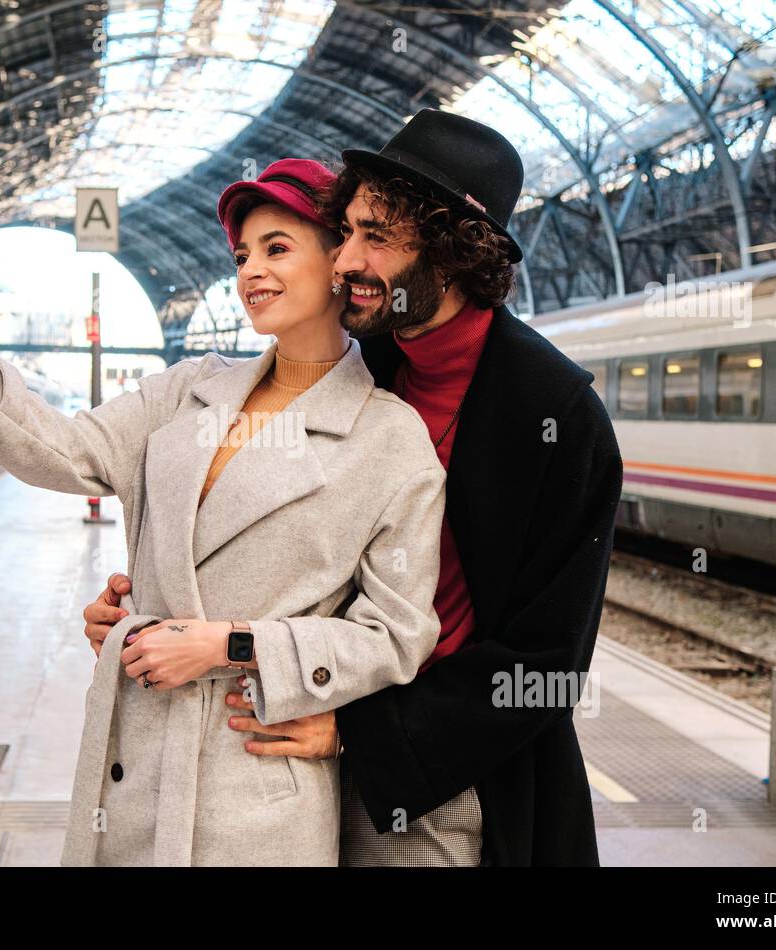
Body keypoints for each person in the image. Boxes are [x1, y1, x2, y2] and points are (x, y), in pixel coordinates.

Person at [0, 158, 447, 865]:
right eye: (242, 254)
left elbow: (395, 634)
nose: (250, 270)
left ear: (338, 260)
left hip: (258, 792)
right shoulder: (188, 392)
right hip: (133, 775)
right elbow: (64, 450)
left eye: (277, 248)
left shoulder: (388, 438)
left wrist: (231, 644)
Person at [83, 110, 624, 866]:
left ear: (454, 250)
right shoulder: (362, 367)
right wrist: (150, 609)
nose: (345, 262)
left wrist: (359, 734)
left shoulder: (556, 415)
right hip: (293, 737)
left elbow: (545, 662)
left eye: (376, 236)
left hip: (439, 780)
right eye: (347, 233)